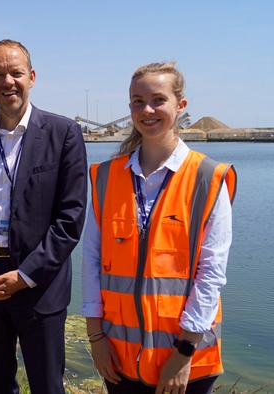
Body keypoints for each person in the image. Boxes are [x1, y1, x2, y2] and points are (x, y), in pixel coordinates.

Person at [81, 62, 237, 394]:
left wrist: (183, 353)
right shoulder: (105, 177)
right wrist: (95, 337)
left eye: (158, 100)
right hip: (120, 358)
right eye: (138, 101)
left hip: (186, 361)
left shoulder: (208, 178)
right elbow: (92, 261)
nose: (147, 110)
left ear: (180, 106)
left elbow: (211, 273)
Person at [0, 39, 88, 394]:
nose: (8, 81)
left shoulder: (63, 134)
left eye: (16, 73)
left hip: (41, 287)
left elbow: (70, 218)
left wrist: (25, 275)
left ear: (32, 77)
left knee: (47, 386)